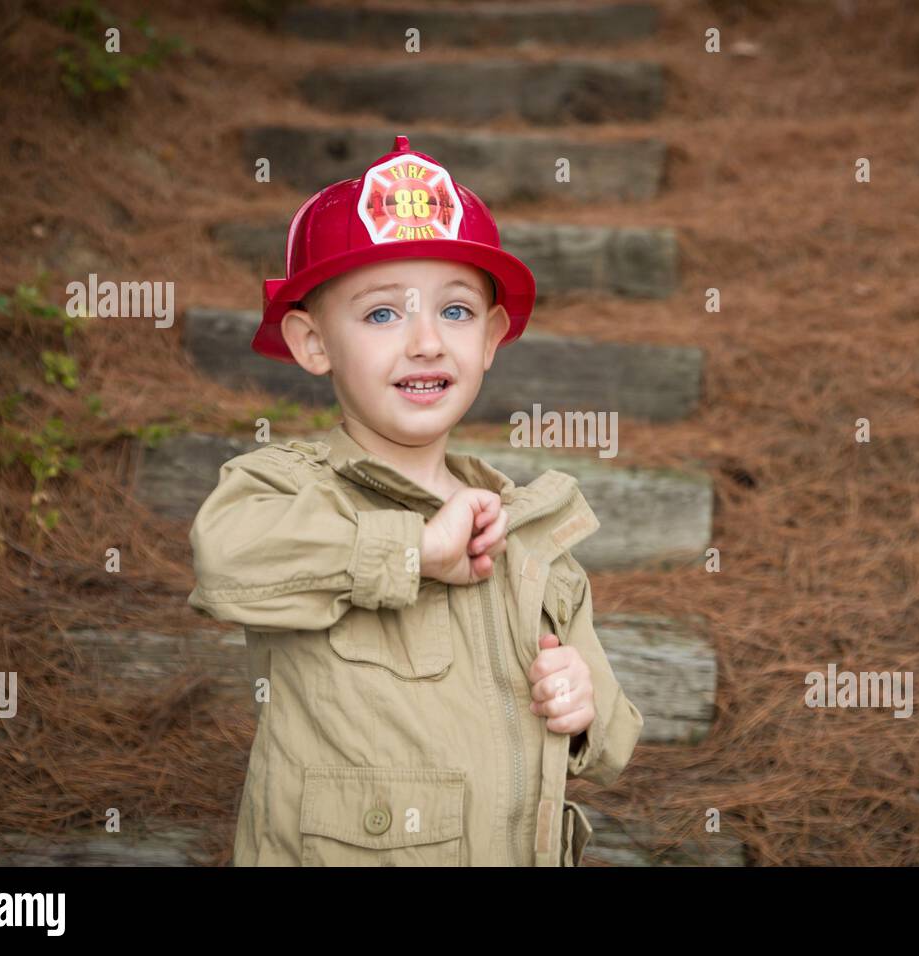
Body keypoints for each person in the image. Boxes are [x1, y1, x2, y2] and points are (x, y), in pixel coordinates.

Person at [186, 134, 644, 866]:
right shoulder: (287, 488)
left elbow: (611, 742)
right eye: (381, 315)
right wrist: (413, 551)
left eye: (456, 312)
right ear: (311, 342)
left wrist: (584, 707)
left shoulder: (528, 535)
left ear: (492, 337)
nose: (427, 342)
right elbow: (226, 558)